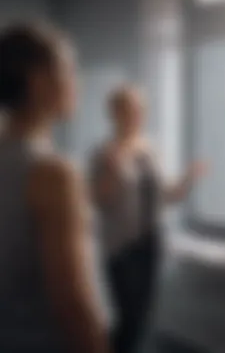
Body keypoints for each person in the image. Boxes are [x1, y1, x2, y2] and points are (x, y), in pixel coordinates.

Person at [0, 22, 112, 353]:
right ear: (37, 82)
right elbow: (72, 305)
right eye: (69, 70)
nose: (78, 81)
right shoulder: (53, 173)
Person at [90, 85, 207, 353]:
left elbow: (166, 196)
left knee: (141, 318)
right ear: (114, 113)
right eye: (130, 109)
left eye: (140, 109)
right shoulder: (103, 152)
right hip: (120, 246)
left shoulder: (150, 150)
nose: (137, 114)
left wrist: (189, 178)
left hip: (151, 243)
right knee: (128, 319)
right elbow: (97, 199)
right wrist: (111, 170)